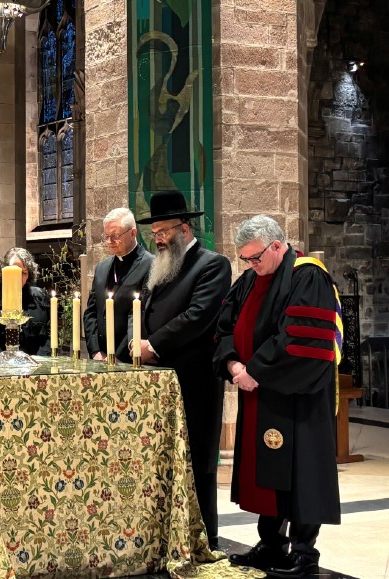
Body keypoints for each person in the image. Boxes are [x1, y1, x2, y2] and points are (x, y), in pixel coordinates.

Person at [214, 215, 341, 578]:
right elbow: (224, 325)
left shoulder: (307, 275)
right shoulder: (252, 279)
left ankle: (304, 552)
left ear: (276, 245)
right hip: (259, 393)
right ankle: (271, 544)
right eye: (246, 260)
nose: (251, 266)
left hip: (296, 397)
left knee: (300, 473)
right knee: (265, 472)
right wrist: (233, 364)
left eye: (255, 258)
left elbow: (301, 338)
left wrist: (256, 370)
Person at [132, 190, 230, 549]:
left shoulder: (212, 265)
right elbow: (147, 314)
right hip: (161, 381)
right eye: (154, 232)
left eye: (163, 232)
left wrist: (152, 345)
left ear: (185, 228)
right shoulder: (162, 267)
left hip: (195, 381)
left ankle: (206, 538)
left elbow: (197, 317)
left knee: (198, 462)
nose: (157, 239)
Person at [83, 208, 153, 361]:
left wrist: (117, 356)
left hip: (128, 358)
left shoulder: (150, 265)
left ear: (133, 233)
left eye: (115, 236)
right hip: (100, 358)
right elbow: (91, 312)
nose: (109, 241)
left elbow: (139, 315)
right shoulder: (102, 268)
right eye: (106, 236)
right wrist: (95, 351)